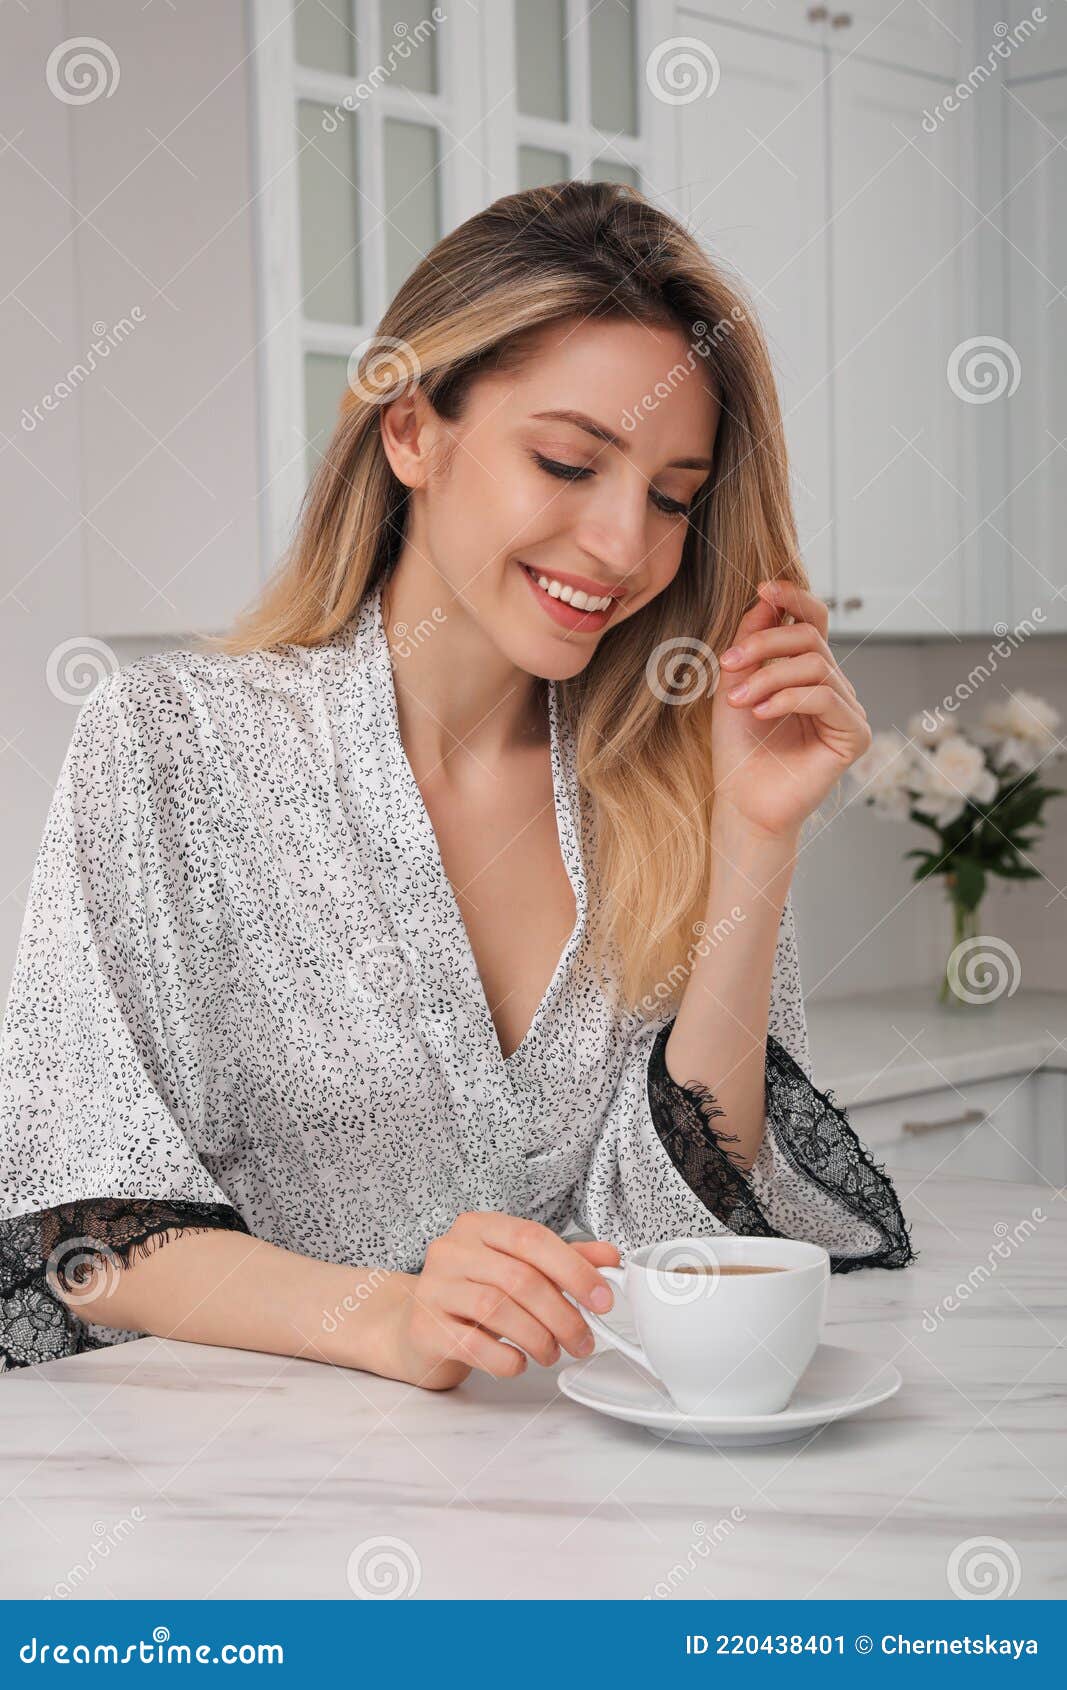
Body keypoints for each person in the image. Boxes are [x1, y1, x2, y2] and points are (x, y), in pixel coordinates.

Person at [0, 181, 914, 1385]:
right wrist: (383, 1316)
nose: (622, 546)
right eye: (566, 460)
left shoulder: (664, 778)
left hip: (588, 1490)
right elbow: (83, 1225)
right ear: (410, 431)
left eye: (669, 497)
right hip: (243, 1505)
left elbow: (689, 1213)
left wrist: (754, 839)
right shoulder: (169, 744)